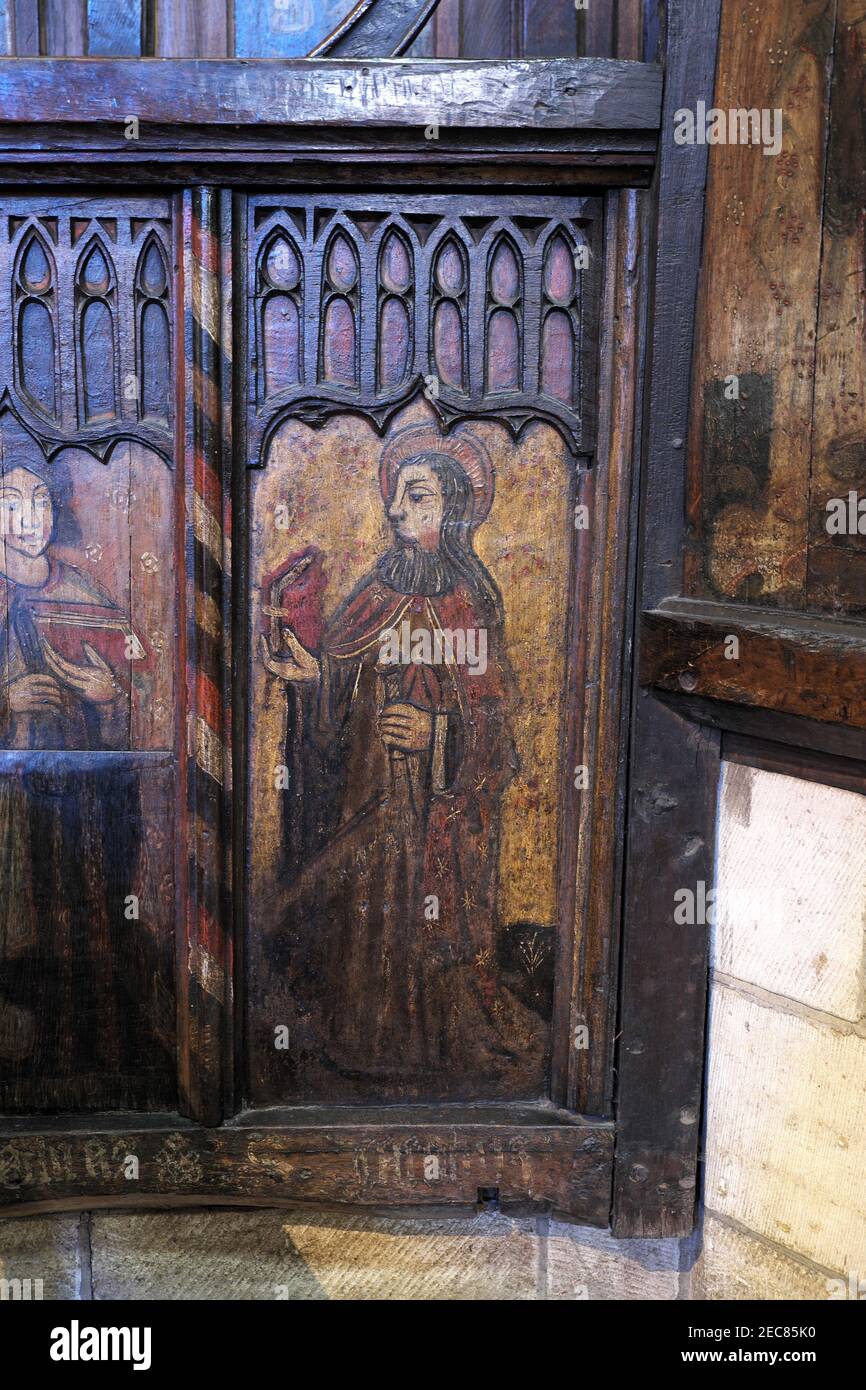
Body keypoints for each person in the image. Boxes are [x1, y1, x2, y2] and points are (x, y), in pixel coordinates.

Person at [258, 428, 546, 1099]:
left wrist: (438, 733)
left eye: (414, 495)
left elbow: (497, 728)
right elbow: (341, 675)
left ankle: (435, 1048)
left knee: (426, 918)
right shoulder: (374, 590)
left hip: (438, 811)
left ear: (452, 508)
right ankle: (356, 1037)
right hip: (371, 793)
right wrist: (313, 679)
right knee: (359, 907)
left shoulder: (472, 601)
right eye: (393, 493)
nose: (394, 508)